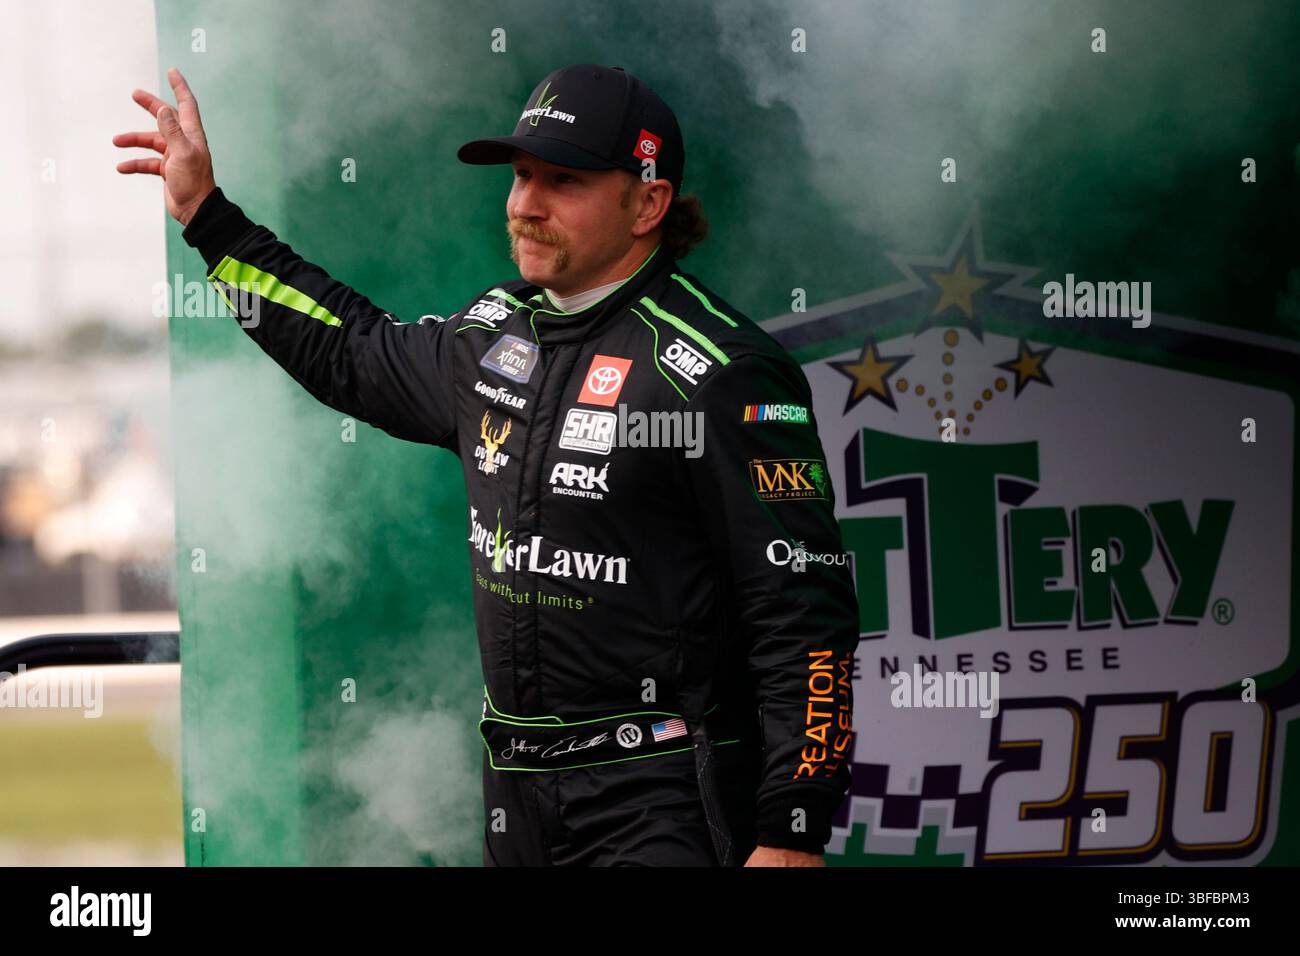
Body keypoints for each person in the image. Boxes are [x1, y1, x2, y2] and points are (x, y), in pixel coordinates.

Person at [116, 63, 858, 867]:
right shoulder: (492, 333)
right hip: (515, 794)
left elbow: (803, 613)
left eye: (563, 180)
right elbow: (347, 347)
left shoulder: (720, 370)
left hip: (663, 794)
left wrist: (792, 828)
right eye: (521, 175)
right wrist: (207, 218)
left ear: (647, 202)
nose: (525, 204)